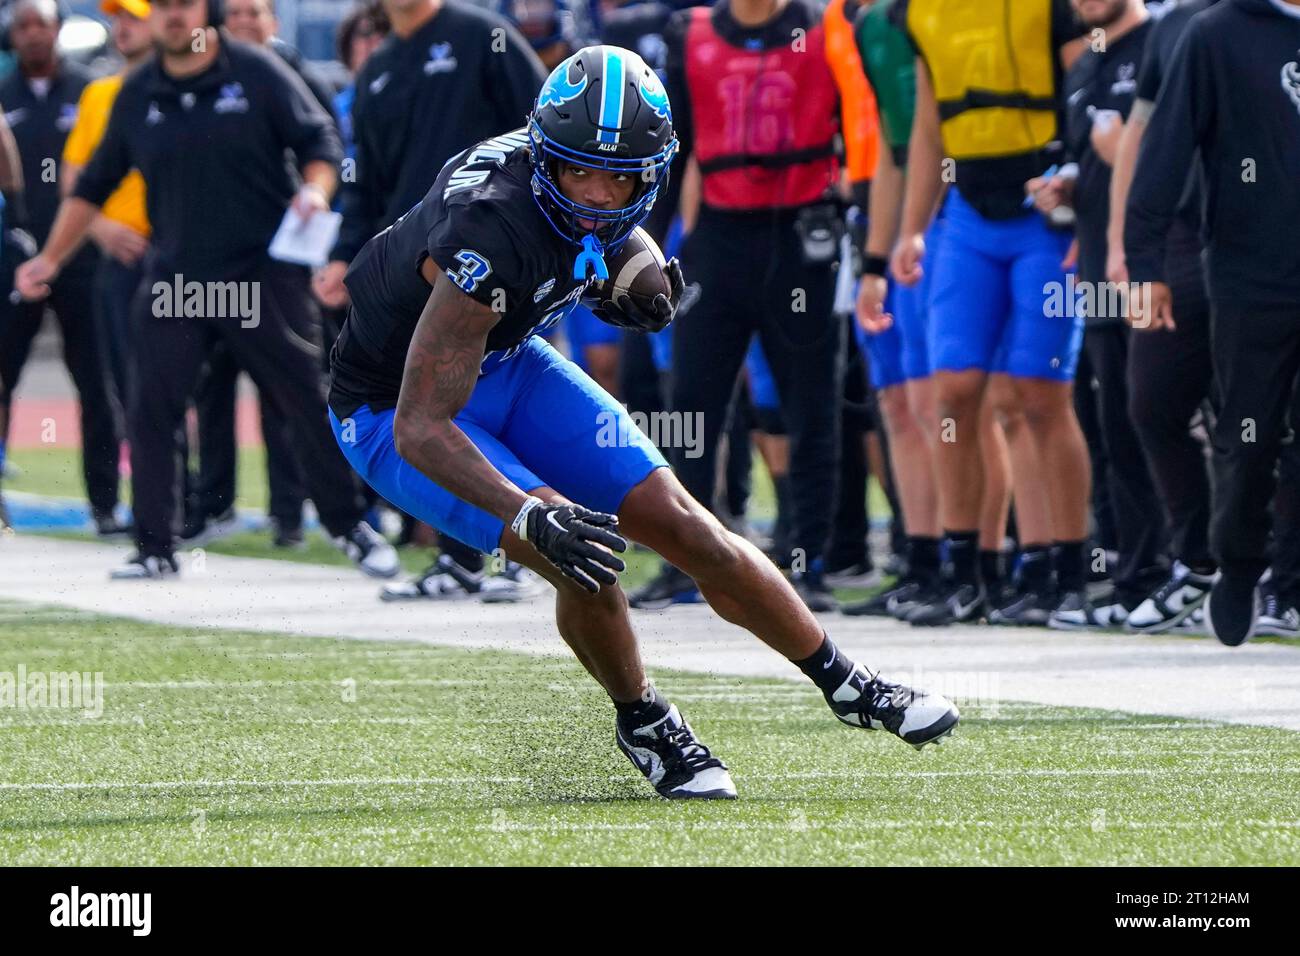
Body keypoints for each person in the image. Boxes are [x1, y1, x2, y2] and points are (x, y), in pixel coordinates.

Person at [325, 45, 958, 799]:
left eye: (619, 176)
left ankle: (849, 681)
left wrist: (628, 271)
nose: (596, 194)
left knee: (686, 524)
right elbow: (422, 427)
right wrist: (527, 515)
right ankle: (648, 722)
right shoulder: (489, 231)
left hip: (505, 361)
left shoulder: (557, 180)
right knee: (573, 545)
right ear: (544, 158)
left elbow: (598, 236)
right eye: (579, 172)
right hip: (391, 404)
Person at [14, 0, 397, 580]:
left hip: (261, 273)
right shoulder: (137, 92)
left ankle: (351, 527)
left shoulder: (255, 70)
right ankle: (155, 547)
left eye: (183, 3)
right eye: (161, 5)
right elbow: (92, 186)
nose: (172, 15)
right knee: (149, 406)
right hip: (177, 280)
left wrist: (317, 193)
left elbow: (321, 144)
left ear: (205, 11)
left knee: (302, 398)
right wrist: (48, 259)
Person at [633, 0, 876, 613]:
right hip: (717, 237)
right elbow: (672, 148)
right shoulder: (688, 34)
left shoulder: (827, 27)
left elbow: (864, 127)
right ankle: (683, 559)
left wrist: (857, 214)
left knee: (811, 405)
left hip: (802, 237)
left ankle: (808, 560)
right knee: (690, 405)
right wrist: (644, 247)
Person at [314, 0, 548, 603]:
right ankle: (461, 557)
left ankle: (528, 552)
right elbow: (361, 179)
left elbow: (552, 134)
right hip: (412, 270)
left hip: (498, 262)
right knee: (434, 409)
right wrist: (343, 251)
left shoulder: (484, 37)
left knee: (499, 403)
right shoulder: (377, 68)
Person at [890, 0, 1092, 627]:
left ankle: (1065, 574)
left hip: (1045, 214)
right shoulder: (919, 13)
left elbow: (1086, 102)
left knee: (1038, 394)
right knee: (953, 390)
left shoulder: (1056, 8)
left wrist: (1083, 191)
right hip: (968, 216)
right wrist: (911, 230)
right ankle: (966, 571)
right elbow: (929, 127)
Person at [1124, 0, 1300, 645]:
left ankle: (1293, 586)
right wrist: (1144, 263)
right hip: (1252, 277)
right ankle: (1239, 564)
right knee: (1247, 439)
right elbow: (1166, 147)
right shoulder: (1217, 33)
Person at [1032, 0, 1166, 628]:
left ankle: (1169, 573)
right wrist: (1065, 182)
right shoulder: (1085, 60)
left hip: (1156, 268)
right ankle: (1127, 577)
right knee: (1109, 421)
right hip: (1096, 275)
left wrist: (1123, 152)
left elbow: (1178, 158)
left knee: (1153, 423)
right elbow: (1086, 156)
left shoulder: (1167, 43)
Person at [1104, 0, 1222, 635]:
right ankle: (1200, 563)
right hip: (1178, 240)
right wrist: (1128, 246)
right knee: (1152, 402)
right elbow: (1137, 138)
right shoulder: (1173, 26)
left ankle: (1274, 576)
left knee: (1263, 417)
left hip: (1261, 243)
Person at [0, 0, 122, 536]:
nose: (32, 35)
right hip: (15, 259)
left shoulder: (90, 90)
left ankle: (105, 504)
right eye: (22, 25)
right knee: (3, 378)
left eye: (40, 25)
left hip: (83, 260)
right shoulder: (5, 96)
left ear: (57, 29)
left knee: (98, 383)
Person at [62, 0, 155, 449]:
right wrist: (101, 230)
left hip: (185, 257)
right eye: (117, 18)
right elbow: (73, 179)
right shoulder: (98, 94)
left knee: (198, 388)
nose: (122, 28)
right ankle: (153, 504)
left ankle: (208, 502)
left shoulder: (194, 86)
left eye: (133, 18)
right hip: (120, 260)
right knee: (127, 384)